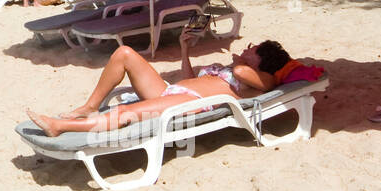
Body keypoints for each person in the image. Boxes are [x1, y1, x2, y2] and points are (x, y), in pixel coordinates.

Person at [26, 30, 297, 137]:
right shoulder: (236, 69)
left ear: (262, 61)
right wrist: (183, 49)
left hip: (192, 103)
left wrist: (242, 61)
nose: (248, 46)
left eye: (254, 48)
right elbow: (188, 79)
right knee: (125, 54)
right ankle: (89, 106)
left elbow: (245, 74)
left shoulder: (260, 78)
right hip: (177, 91)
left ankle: (60, 126)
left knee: (126, 113)